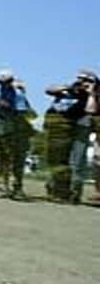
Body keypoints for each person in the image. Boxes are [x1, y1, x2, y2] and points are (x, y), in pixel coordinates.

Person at [44, 70, 96, 204]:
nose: (81, 82)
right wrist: (68, 87)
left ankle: (74, 193)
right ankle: (55, 190)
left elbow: (91, 110)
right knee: (58, 159)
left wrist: (91, 93)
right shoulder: (69, 89)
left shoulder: (94, 94)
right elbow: (49, 90)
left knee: (77, 161)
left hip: (80, 129)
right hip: (61, 127)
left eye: (85, 80)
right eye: (79, 78)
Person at [0, 69, 34, 199]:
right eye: (1, 82)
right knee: (3, 157)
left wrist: (8, 106)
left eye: (7, 82)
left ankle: (17, 187)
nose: (3, 85)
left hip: (15, 129)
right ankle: (2, 186)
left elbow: (22, 111)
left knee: (17, 158)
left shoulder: (17, 93)